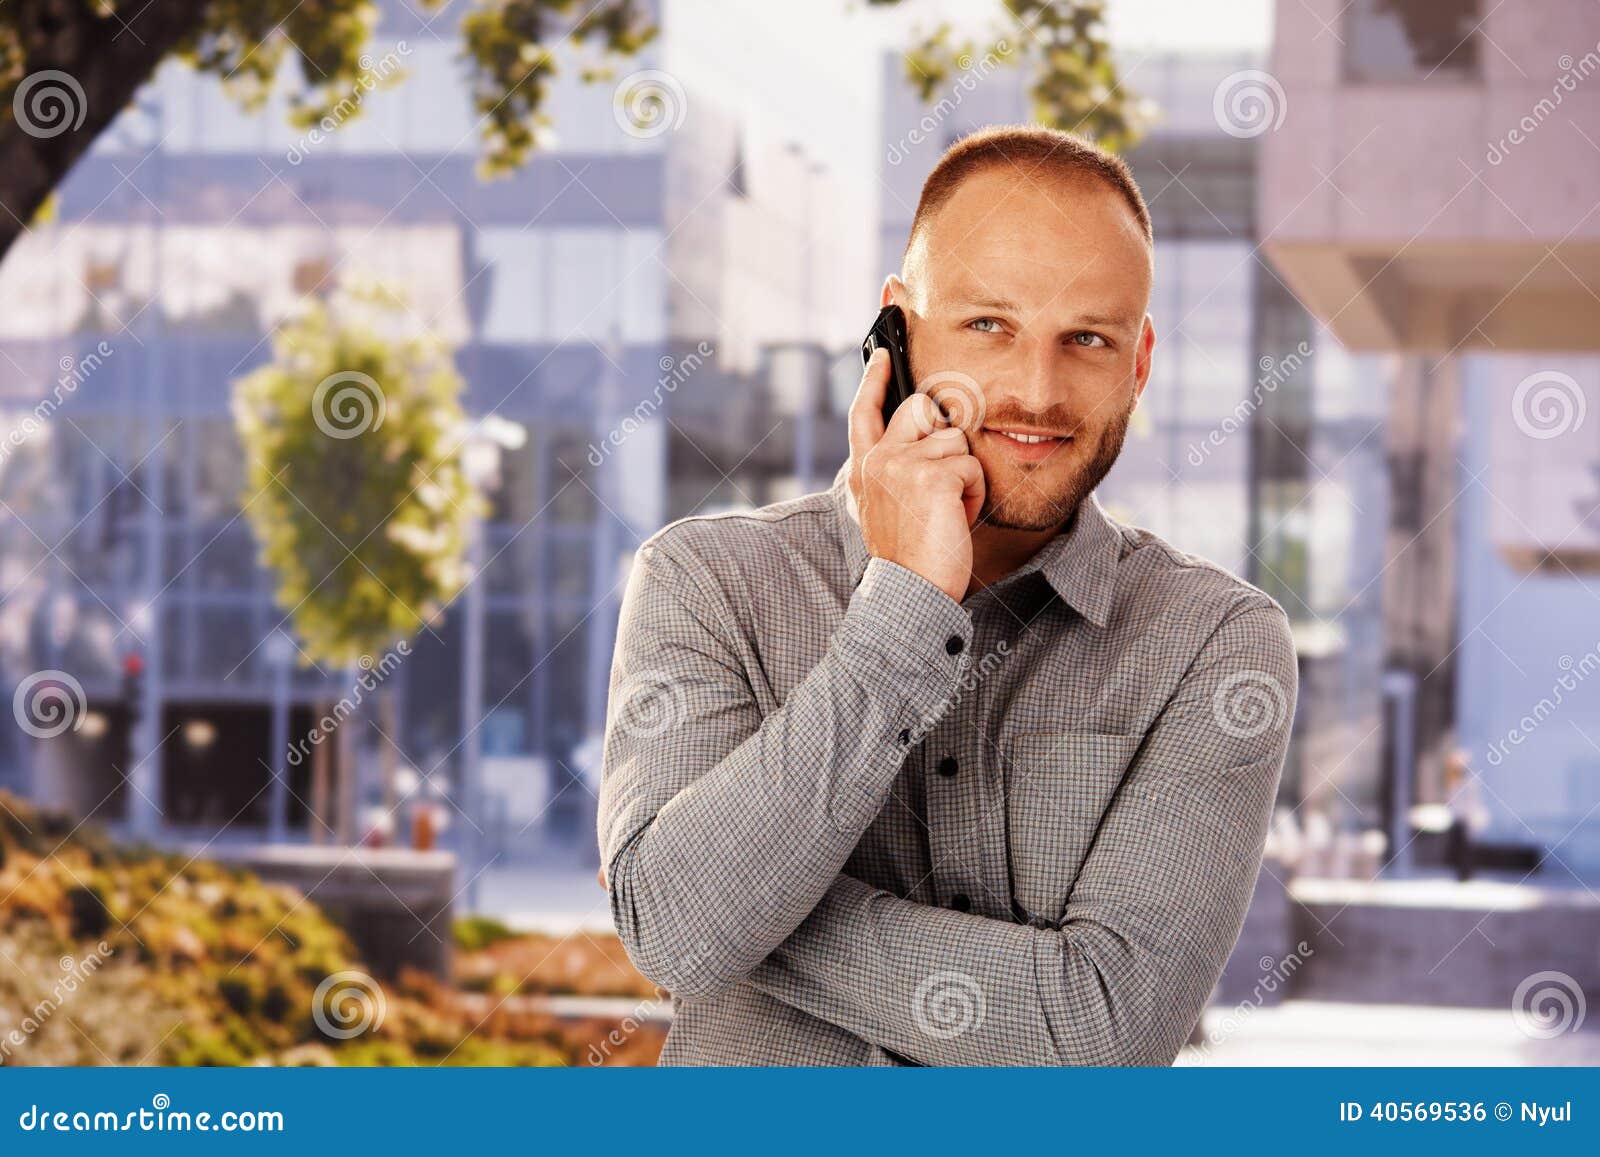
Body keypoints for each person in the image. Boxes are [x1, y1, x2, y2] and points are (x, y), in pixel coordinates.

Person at [597, 125, 1298, 1066]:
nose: (1036, 391)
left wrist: (747, 919)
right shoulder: (706, 580)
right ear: (896, 332)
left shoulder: (1215, 643)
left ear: (1138, 362)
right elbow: (675, 930)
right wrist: (904, 607)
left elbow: (1102, 1042)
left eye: (1086, 339)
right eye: (989, 326)